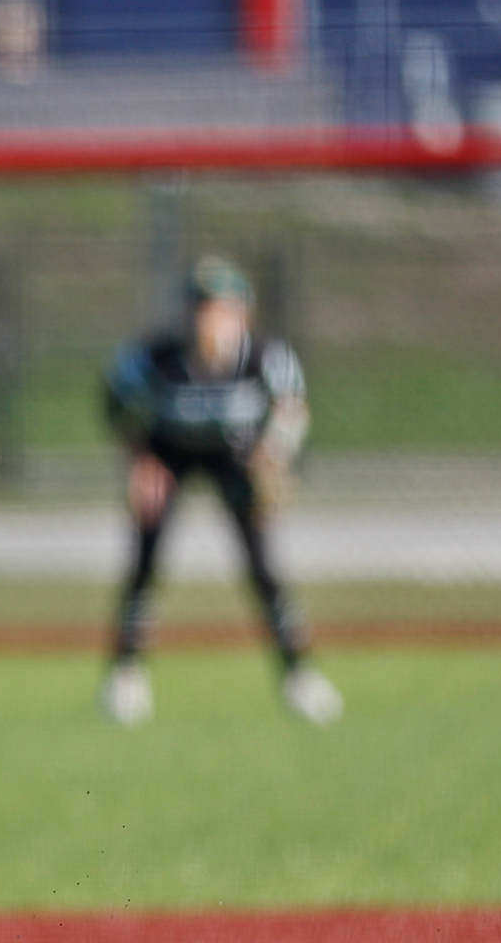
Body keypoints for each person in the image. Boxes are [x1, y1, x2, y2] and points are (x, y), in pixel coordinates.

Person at [100, 254, 342, 726]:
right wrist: (141, 459)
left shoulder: (265, 356)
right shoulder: (156, 358)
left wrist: (273, 457)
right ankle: (125, 675)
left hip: (236, 455)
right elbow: (116, 400)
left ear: (242, 314)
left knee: (262, 565)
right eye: (201, 307)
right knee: (146, 559)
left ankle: (299, 674)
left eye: (221, 308)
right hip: (169, 450)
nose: (209, 319)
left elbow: (291, 407)